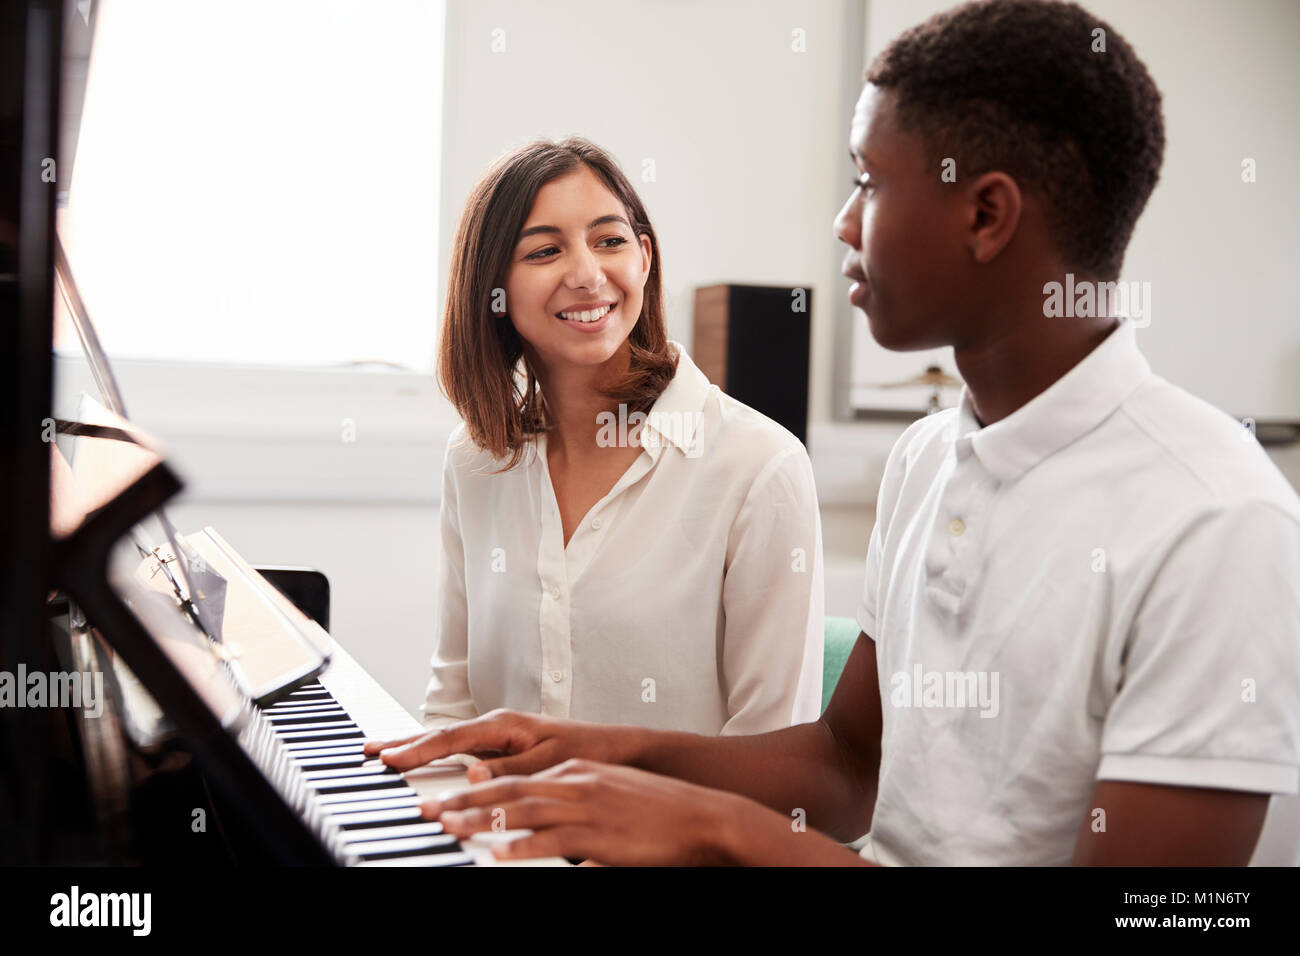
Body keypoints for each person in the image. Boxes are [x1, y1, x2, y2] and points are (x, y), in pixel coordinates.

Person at [367, 0, 1300, 865]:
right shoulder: (930, 458)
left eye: (867, 181)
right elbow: (848, 769)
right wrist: (591, 753)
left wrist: (708, 825)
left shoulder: (1217, 517)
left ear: (986, 215)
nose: (843, 221)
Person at [421, 137, 825, 739]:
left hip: (684, 835)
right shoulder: (475, 459)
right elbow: (454, 709)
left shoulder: (758, 465)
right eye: (545, 251)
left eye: (609, 241)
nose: (587, 275)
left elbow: (772, 760)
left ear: (645, 258)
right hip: (498, 831)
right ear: (493, 290)